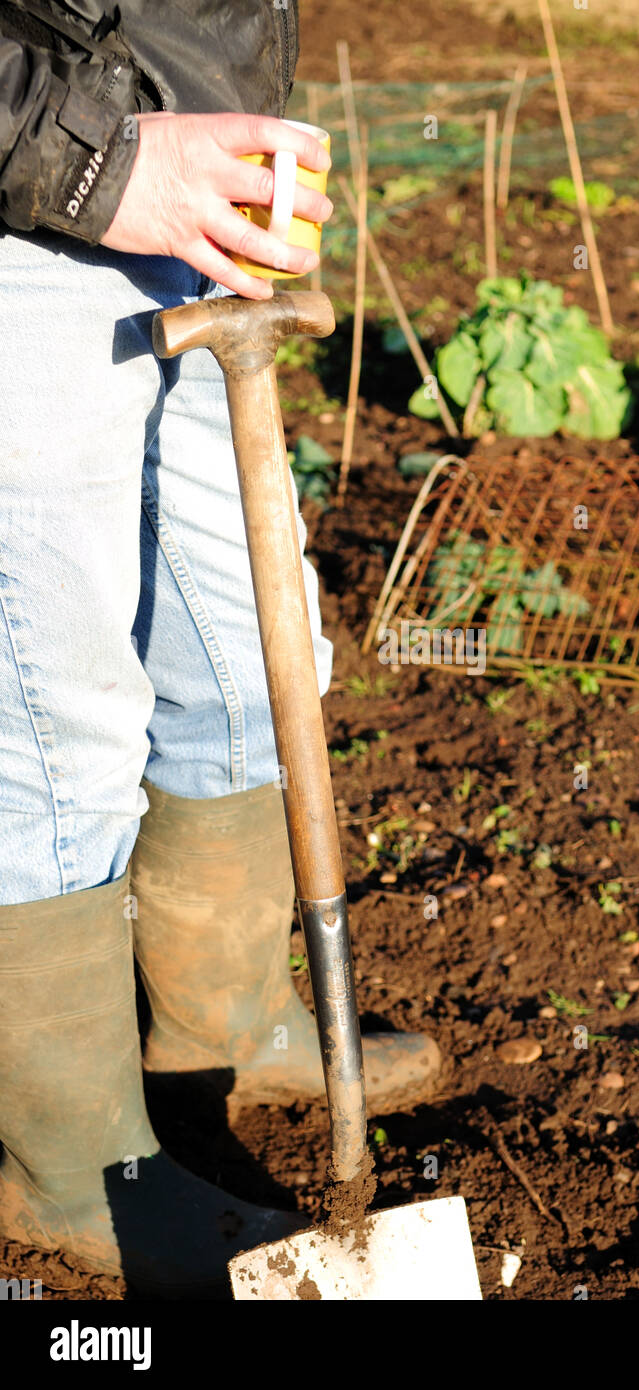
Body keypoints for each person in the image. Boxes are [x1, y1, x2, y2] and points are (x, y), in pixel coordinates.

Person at [0, 0, 440, 1297]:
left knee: (248, 646)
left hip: (184, 184)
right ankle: (68, 1161)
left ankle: (225, 1018)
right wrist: (99, 159)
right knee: (53, 703)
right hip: (36, 202)